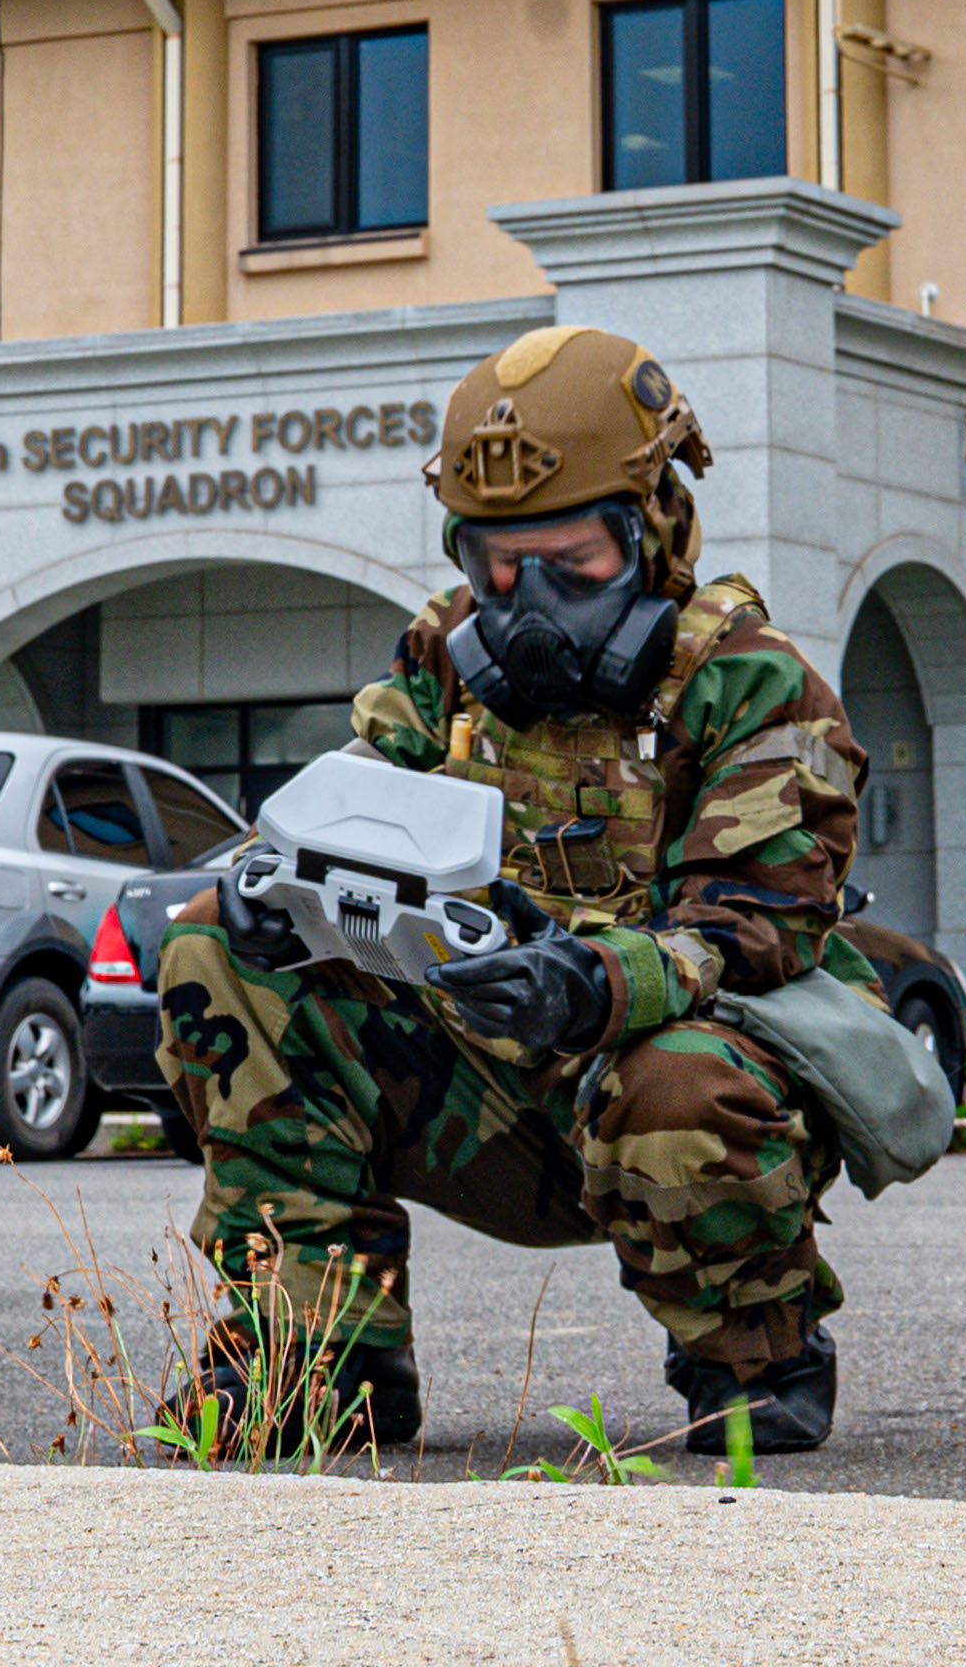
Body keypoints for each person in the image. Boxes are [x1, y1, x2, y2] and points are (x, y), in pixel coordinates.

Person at [151, 321, 870, 1461]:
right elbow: (350, 798)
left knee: (676, 1083)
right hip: (479, 1083)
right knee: (213, 952)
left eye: (573, 560)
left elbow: (755, 928)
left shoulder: (752, 684)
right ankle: (319, 1356)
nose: (527, 601)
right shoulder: (442, 656)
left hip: (664, 1079)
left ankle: (754, 1351)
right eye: (496, 563)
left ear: (655, 530)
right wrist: (267, 884)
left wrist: (589, 983)